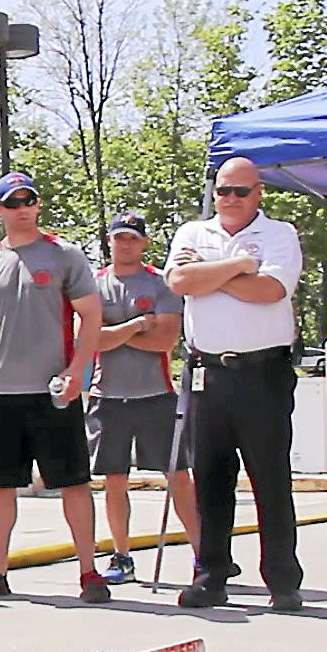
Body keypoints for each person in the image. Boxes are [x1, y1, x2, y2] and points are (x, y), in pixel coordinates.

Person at [0, 172, 109, 603]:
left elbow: (91, 316)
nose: (23, 208)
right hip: (1, 394)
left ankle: (89, 572)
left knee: (73, 483)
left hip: (54, 393)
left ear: (38, 205)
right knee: (0, 486)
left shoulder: (65, 255)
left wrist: (77, 371)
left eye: (29, 200)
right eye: (13, 202)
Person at [165, 157, 305, 611]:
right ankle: (211, 575)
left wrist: (210, 273)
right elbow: (179, 281)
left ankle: (282, 580)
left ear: (258, 193)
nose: (229, 199)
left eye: (240, 191)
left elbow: (270, 291)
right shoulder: (193, 233)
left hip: (263, 373)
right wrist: (239, 266)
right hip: (208, 373)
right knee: (210, 479)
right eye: (222, 190)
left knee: (270, 479)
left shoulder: (279, 234)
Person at [88, 210, 199, 585]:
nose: (125, 244)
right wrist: (137, 324)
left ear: (144, 243)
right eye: (119, 237)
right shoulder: (94, 284)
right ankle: (121, 556)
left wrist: (113, 333)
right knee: (114, 481)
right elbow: (89, 339)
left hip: (155, 395)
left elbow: (164, 340)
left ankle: (203, 556)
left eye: (132, 238)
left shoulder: (160, 283)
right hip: (107, 397)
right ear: (109, 241)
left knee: (178, 477)